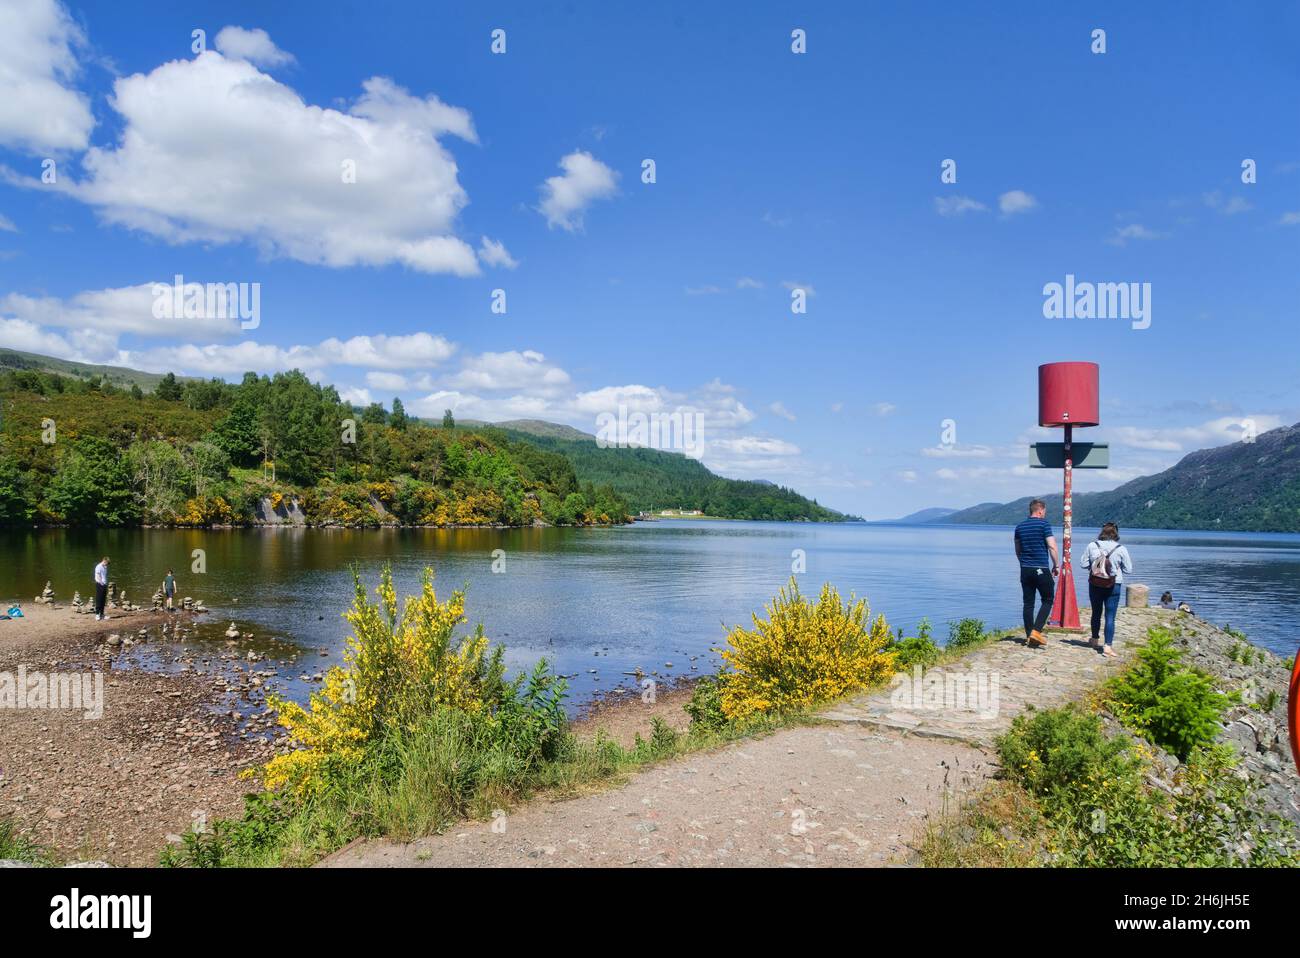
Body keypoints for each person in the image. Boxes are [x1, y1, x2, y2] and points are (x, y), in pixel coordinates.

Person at [1083, 523, 1133, 657]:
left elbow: (1083, 564)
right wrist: (1116, 566)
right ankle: (1107, 647)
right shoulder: (1121, 548)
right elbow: (1128, 570)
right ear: (1116, 534)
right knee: (1110, 616)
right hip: (1113, 584)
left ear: (1102, 532)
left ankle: (1094, 639)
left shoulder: (1092, 545)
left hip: (1095, 583)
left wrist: (1096, 565)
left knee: (1096, 612)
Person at [1013, 499, 1058, 648]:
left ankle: (1028, 636)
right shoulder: (1044, 524)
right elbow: (1052, 546)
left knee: (1028, 603)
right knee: (1048, 599)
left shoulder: (1019, 527)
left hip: (1025, 570)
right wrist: (1056, 565)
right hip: (1041, 568)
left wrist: (1024, 563)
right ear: (1040, 510)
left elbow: (1018, 550)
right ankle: (1036, 631)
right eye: (1044, 511)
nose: (1045, 514)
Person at [93, 556, 110, 621]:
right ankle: (97, 614)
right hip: (99, 584)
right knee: (99, 599)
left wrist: (105, 584)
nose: (107, 565)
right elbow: (98, 576)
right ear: (104, 561)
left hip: (104, 585)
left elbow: (104, 576)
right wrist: (101, 583)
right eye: (107, 563)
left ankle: (102, 614)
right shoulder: (98, 566)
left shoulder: (105, 567)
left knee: (103, 600)